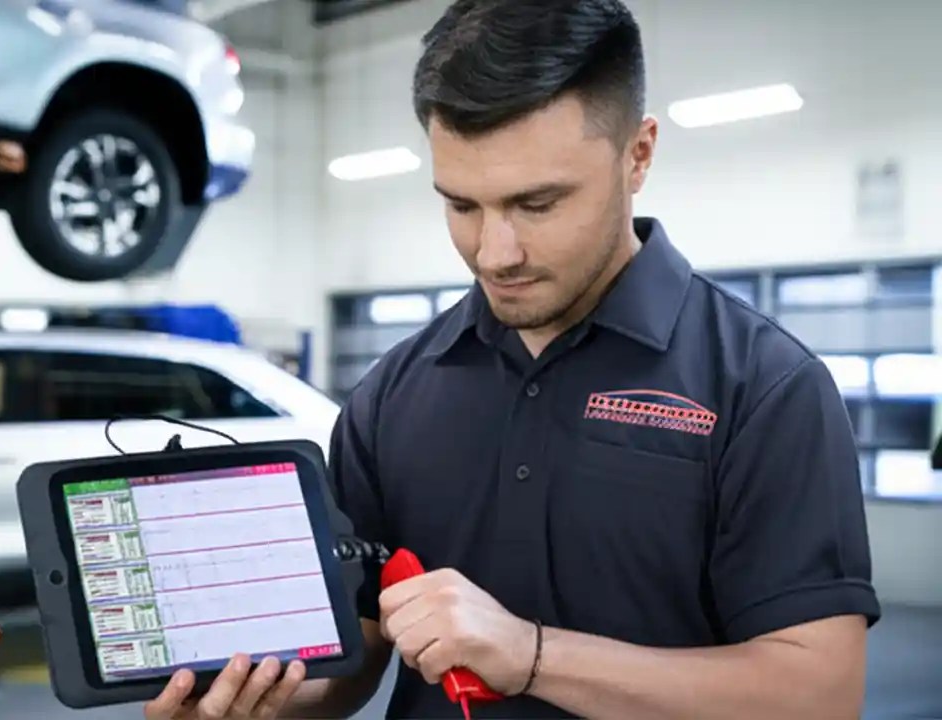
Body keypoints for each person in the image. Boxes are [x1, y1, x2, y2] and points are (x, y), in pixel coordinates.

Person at [144, 0, 881, 717]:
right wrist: (252, 702)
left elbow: (818, 694)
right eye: (462, 205)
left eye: (538, 205)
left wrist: (532, 654)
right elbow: (355, 654)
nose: (495, 254)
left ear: (639, 156)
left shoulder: (766, 387)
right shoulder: (393, 392)